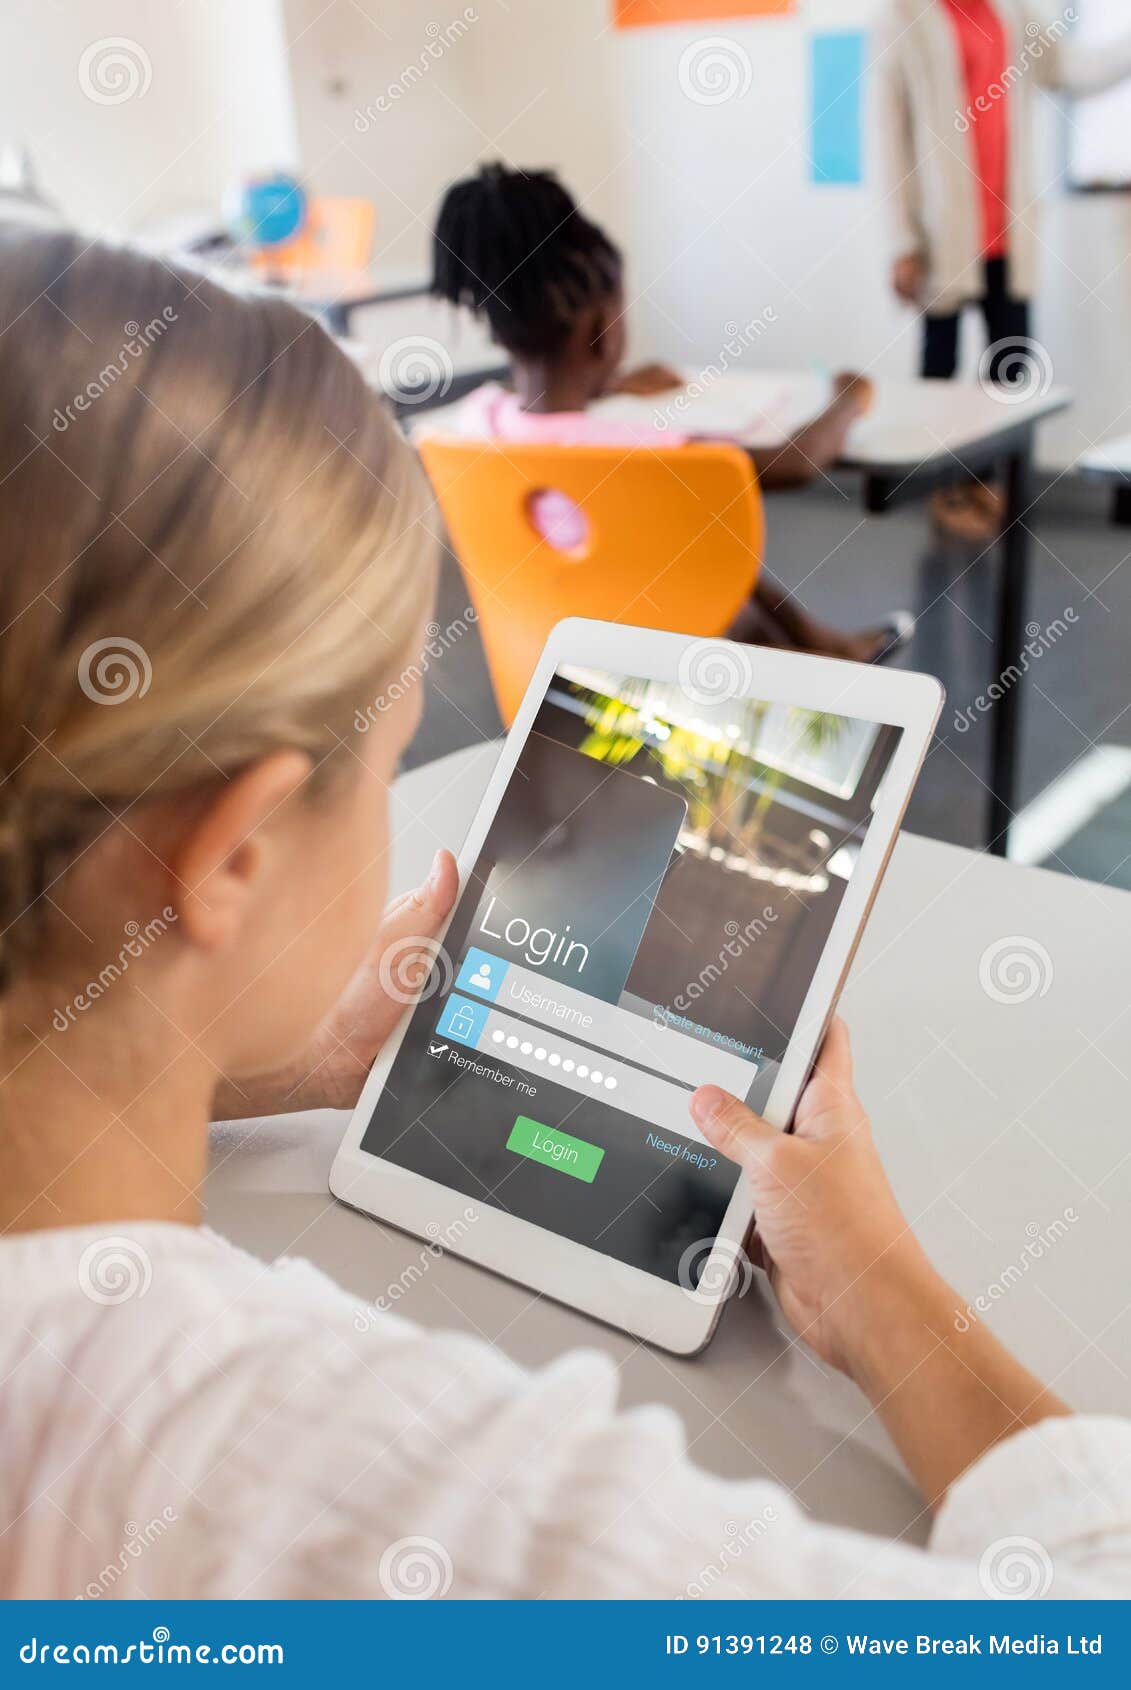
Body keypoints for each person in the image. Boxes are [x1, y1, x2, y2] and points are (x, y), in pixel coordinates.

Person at [1, 227, 1128, 1601]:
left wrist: (283, 1064)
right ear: (228, 854)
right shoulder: (335, 1494)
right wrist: (879, 1288)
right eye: (389, 754)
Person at [430, 164, 912, 666]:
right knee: (711, 560)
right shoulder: (639, 451)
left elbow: (538, 409)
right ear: (604, 329)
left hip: (545, 643)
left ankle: (830, 647)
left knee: (698, 551)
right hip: (659, 654)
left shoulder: (474, 420)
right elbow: (796, 462)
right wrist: (849, 398)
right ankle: (826, 667)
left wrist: (606, 384)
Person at [876, 0, 1131, 541]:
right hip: (943, 230)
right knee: (939, 365)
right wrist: (901, 239)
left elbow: (1071, 69)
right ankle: (944, 486)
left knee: (1011, 362)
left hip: (1006, 226)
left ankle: (985, 482)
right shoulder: (903, 17)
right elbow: (889, 139)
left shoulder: (1010, 14)